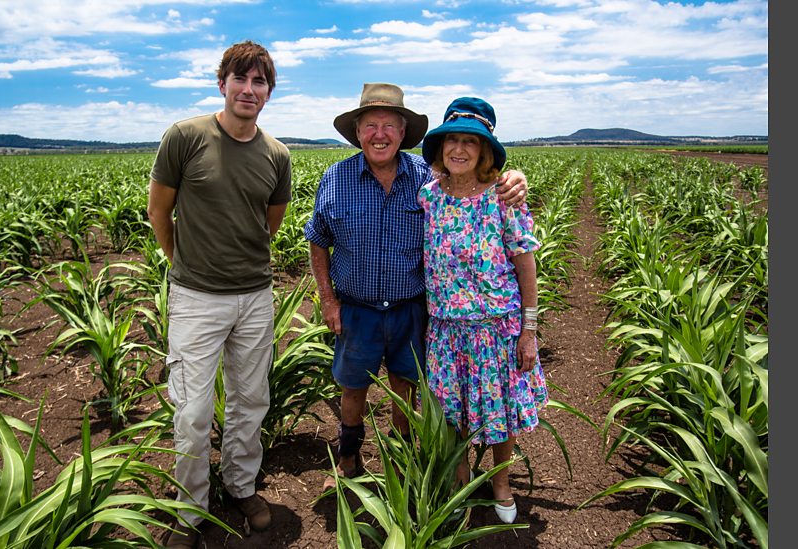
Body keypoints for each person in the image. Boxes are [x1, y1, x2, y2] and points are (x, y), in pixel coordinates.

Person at [304, 83, 528, 490]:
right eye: (370, 124)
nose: (380, 134)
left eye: (389, 125)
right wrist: (327, 299)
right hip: (356, 306)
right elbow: (318, 239)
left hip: (412, 307)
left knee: (405, 388)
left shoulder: (428, 179)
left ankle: (402, 458)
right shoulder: (335, 179)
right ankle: (350, 455)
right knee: (353, 386)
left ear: (403, 132)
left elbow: (476, 183)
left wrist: (513, 176)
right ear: (357, 132)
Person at [146, 40, 290, 548]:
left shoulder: (277, 154)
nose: (249, 90)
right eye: (241, 79)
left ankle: (241, 485)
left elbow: (268, 224)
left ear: (268, 92)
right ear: (222, 83)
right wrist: (180, 262)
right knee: (191, 410)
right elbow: (159, 212)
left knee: (251, 400)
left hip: (254, 296)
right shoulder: (185, 137)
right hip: (196, 298)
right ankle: (189, 510)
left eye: (259, 82)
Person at [417, 97, 548, 524]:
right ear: (439, 148)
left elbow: (525, 263)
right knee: (451, 414)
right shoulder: (429, 196)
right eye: (451, 140)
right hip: (445, 330)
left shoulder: (504, 198)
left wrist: (529, 330)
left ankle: (500, 482)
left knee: (500, 414)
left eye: (470, 142)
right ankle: (458, 482)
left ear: (485, 151)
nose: (459, 149)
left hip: (495, 330)